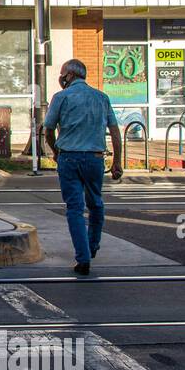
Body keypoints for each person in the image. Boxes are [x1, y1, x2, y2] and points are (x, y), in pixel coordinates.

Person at [43, 59, 123, 276]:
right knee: (96, 203)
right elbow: (115, 132)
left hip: (69, 159)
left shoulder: (61, 98)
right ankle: (93, 244)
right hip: (95, 158)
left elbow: (48, 130)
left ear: (69, 75)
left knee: (75, 209)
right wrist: (117, 162)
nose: (61, 78)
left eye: (62, 74)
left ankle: (83, 257)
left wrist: (55, 151)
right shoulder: (101, 97)